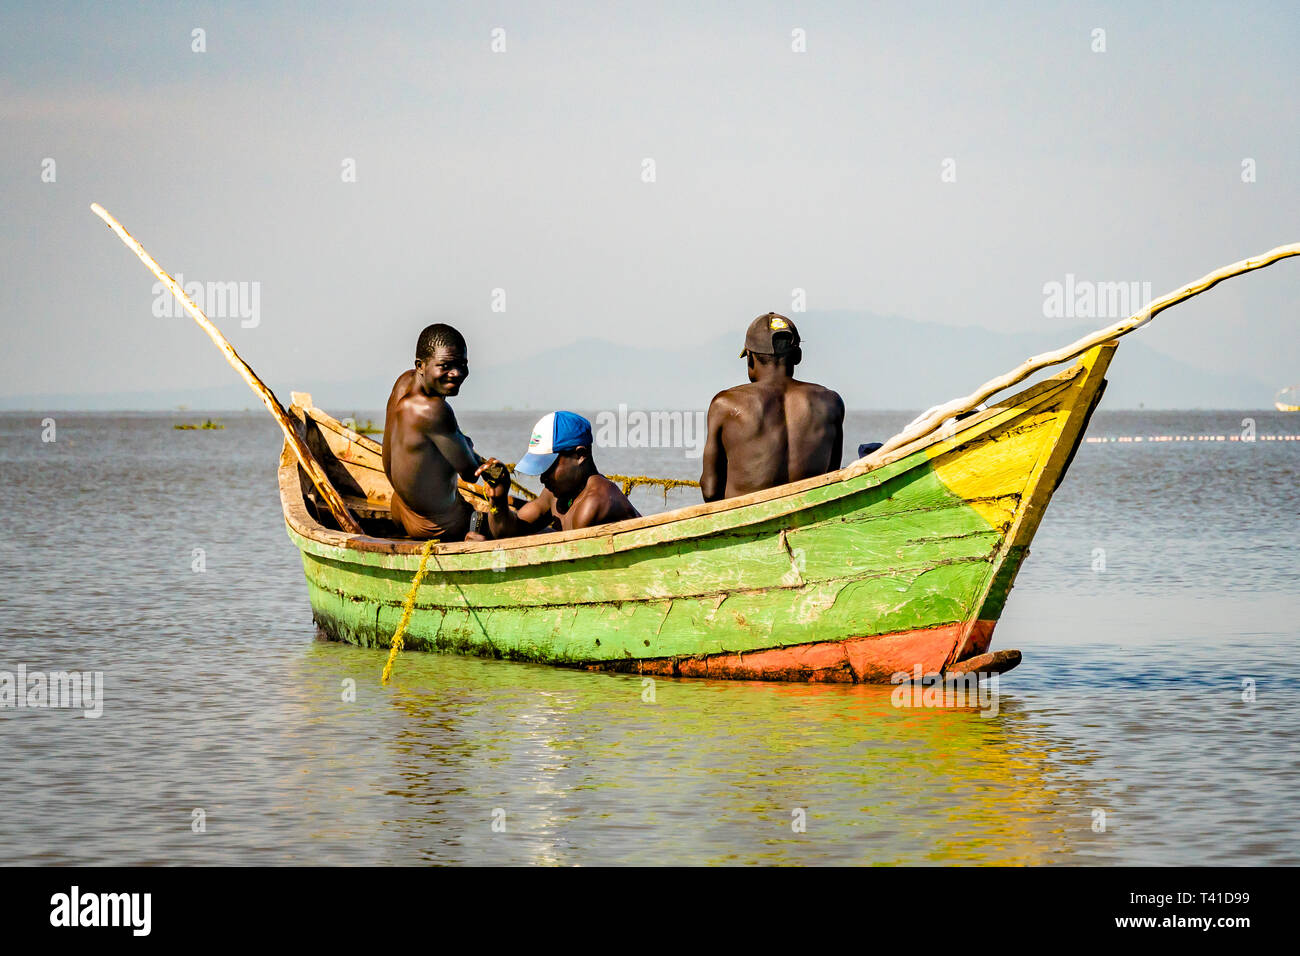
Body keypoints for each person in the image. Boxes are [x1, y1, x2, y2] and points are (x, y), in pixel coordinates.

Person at [700, 312, 845, 501]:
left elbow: (710, 490)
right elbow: (832, 478)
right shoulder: (830, 402)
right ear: (798, 356)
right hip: (811, 519)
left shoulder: (725, 404)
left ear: (750, 359)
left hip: (747, 524)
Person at [382, 323, 487, 541]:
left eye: (462, 364)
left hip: (399, 509)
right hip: (438, 526)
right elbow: (470, 473)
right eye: (446, 366)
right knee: (520, 525)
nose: (456, 373)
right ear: (420, 365)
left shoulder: (404, 382)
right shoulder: (433, 410)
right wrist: (467, 444)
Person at [476, 411, 639, 538]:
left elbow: (572, 565)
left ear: (580, 455)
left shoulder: (595, 502)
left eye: (548, 467)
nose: (542, 478)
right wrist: (498, 498)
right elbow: (508, 532)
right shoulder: (554, 495)